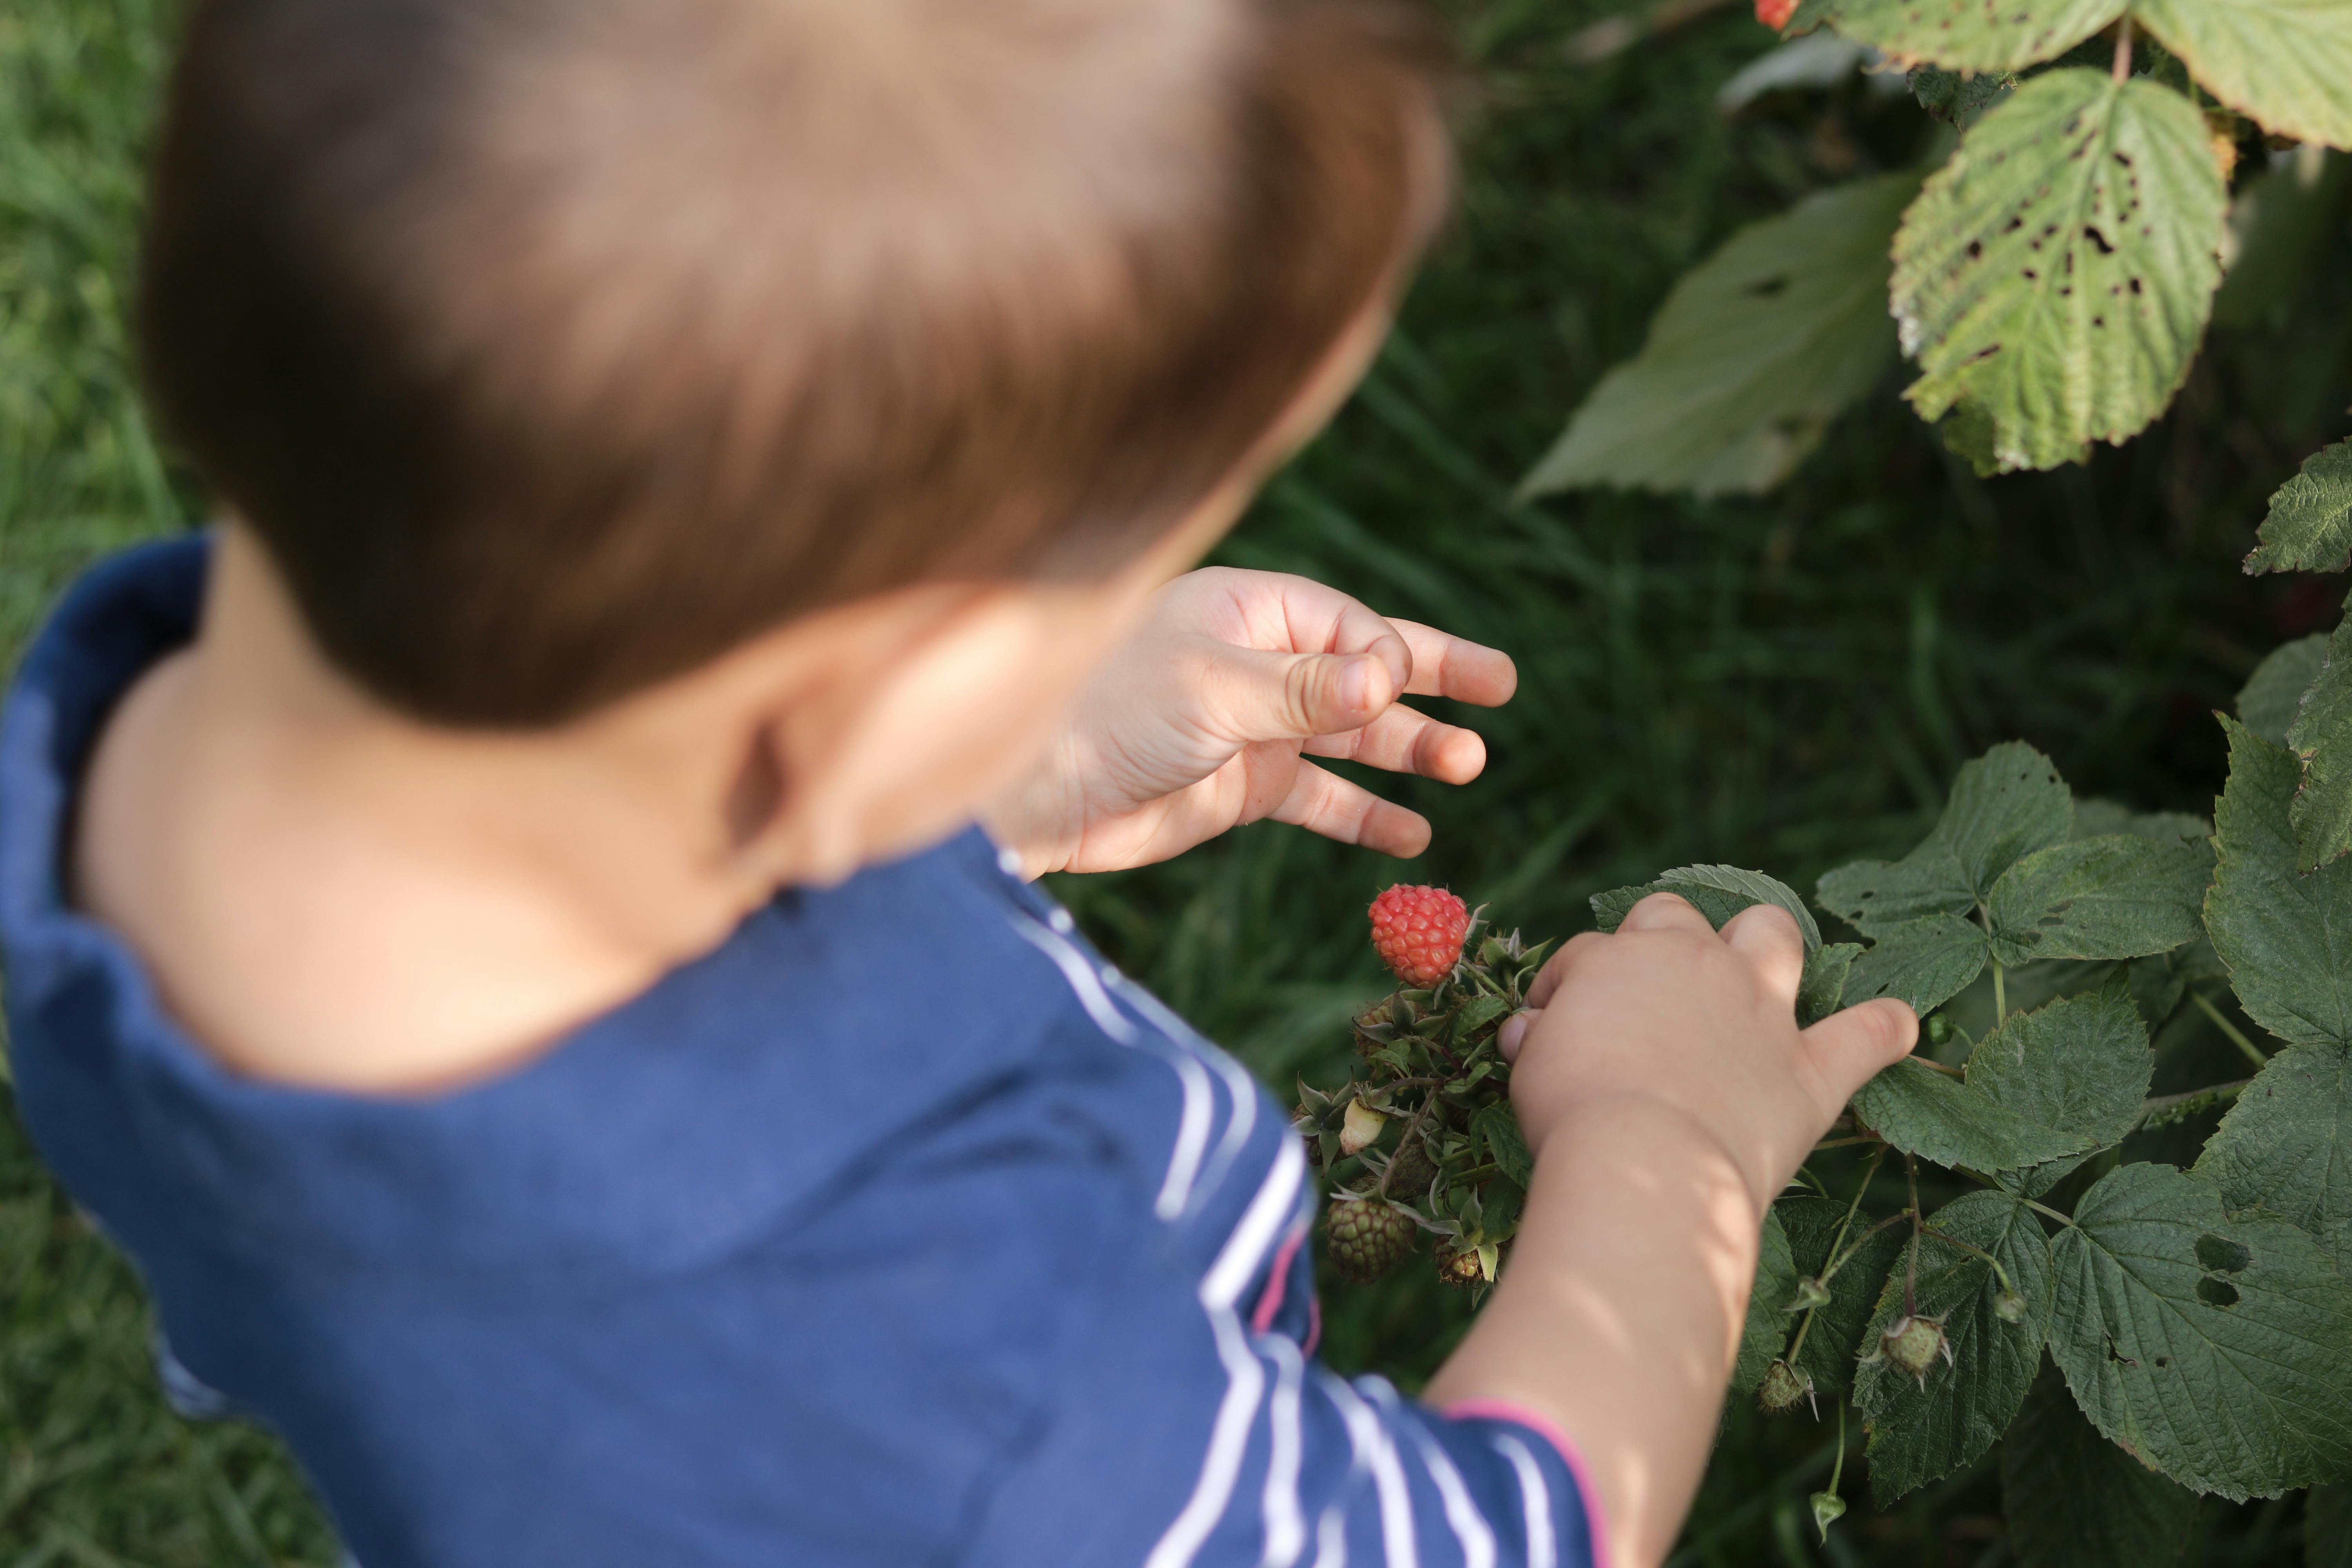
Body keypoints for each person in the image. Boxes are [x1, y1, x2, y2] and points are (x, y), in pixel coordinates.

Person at [0, 0, 1919, 1563]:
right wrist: (1669, 1147)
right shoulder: (952, 1392)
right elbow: (1468, 1540)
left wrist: (1000, 761)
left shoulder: (158, 764)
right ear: (845, 722)